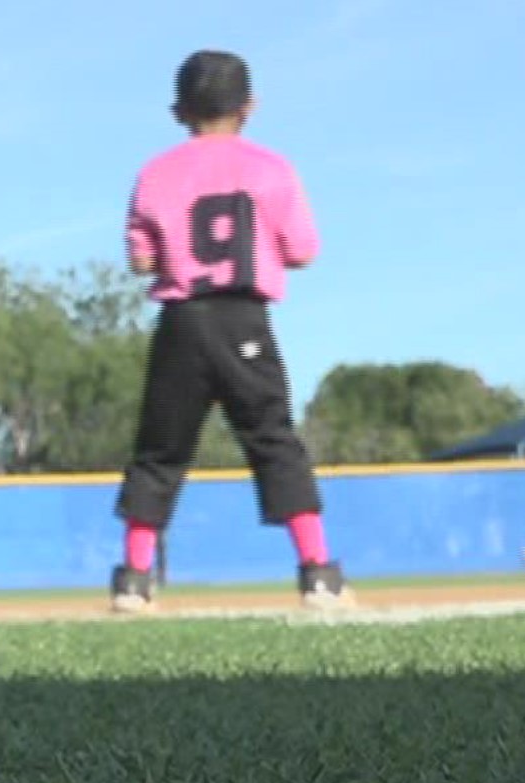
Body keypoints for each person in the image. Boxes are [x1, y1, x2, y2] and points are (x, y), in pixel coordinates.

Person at [109, 49, 350, 614]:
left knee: (160, 450)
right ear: (250, 106)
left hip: (182, 320)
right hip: (243, 317)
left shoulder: (154, 172)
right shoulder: (271, 167)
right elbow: (303, 251)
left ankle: (135, 579)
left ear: (178, 111)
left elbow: (142, 262)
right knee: (272, 438)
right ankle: (317, 571)